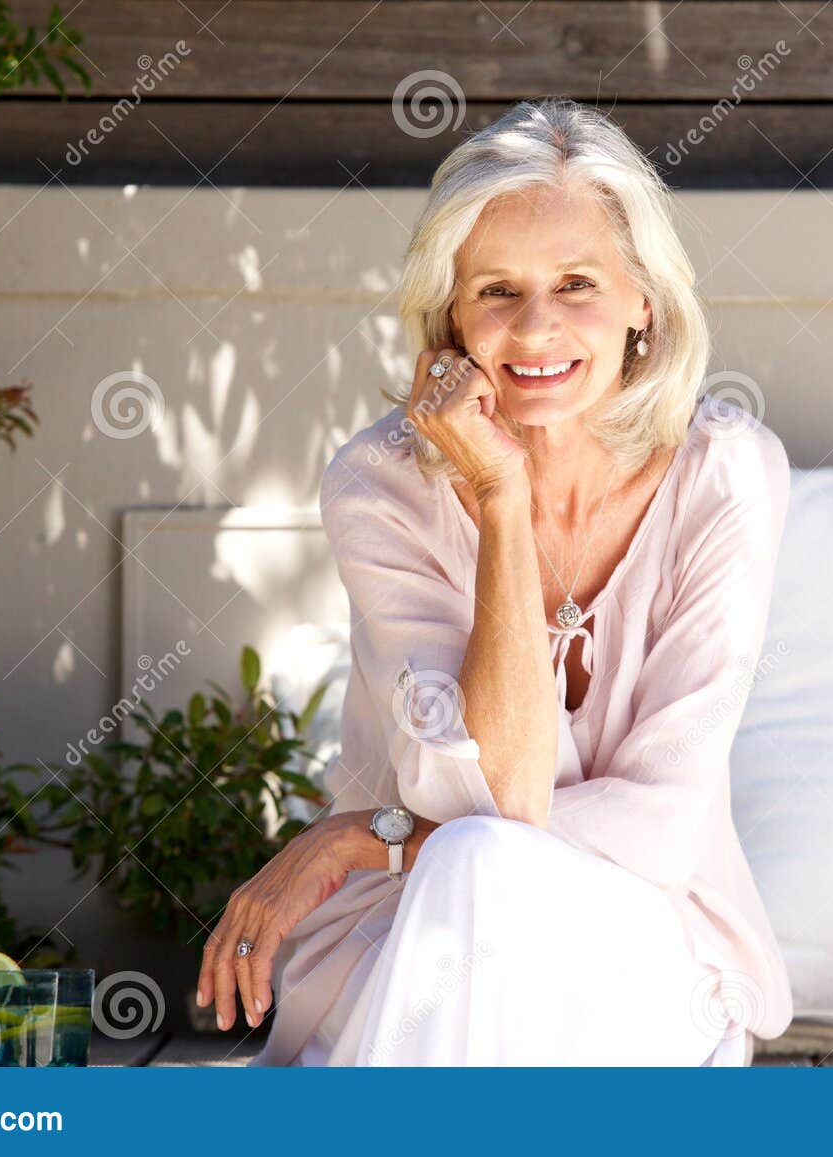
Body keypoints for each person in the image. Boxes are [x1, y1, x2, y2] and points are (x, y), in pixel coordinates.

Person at [195, 96, 794, 1066]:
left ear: (644, 299)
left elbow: (665, 821)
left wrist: (369, 834)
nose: (535, 328)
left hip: (646, 957)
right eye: (496, 291)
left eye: (576, 283)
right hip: (418, 945)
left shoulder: (724, 470)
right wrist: (499, 495)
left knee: (479, 852)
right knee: (474, 858)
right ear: (449, 320)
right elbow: (482, 786)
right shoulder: (383, 483)